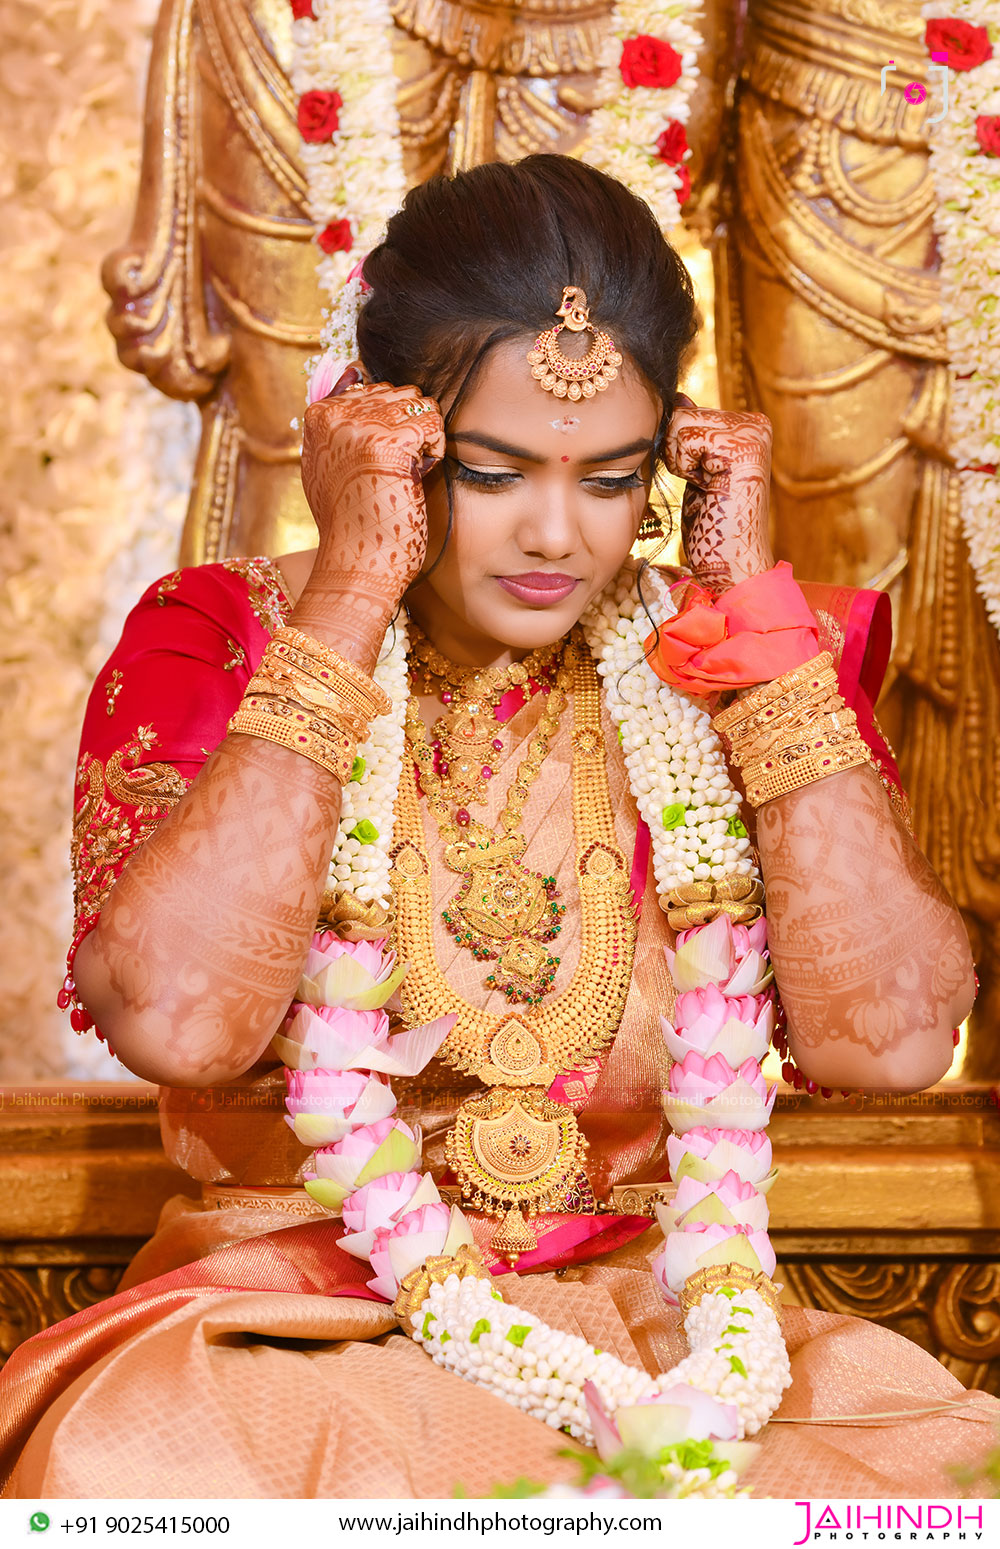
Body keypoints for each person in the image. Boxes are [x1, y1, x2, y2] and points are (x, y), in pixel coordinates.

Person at [0, 156, 990, 1499]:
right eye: (492, 470)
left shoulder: (722, 661)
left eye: (606, 479)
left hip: (664, 1336)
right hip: (286, 1331)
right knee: (136, 1476)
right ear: (390, 439)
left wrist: (757, 614)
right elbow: (179, 1020)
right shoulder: (227, 637)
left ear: (668, 460)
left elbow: (893, 1037)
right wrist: (350, 587)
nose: (552, 532)